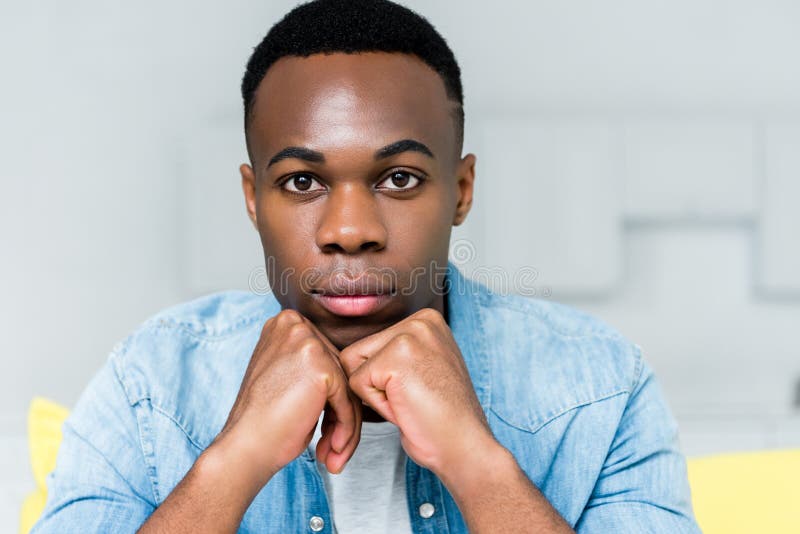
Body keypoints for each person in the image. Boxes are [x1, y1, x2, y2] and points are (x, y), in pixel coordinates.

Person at [31, 0, 701, 532]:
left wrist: (478, 464)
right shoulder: (150, 386)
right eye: (301, 182)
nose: (350, 232)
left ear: (461, 190)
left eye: (400, 178)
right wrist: (233, 462)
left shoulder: (601, 390)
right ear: (252, 199)